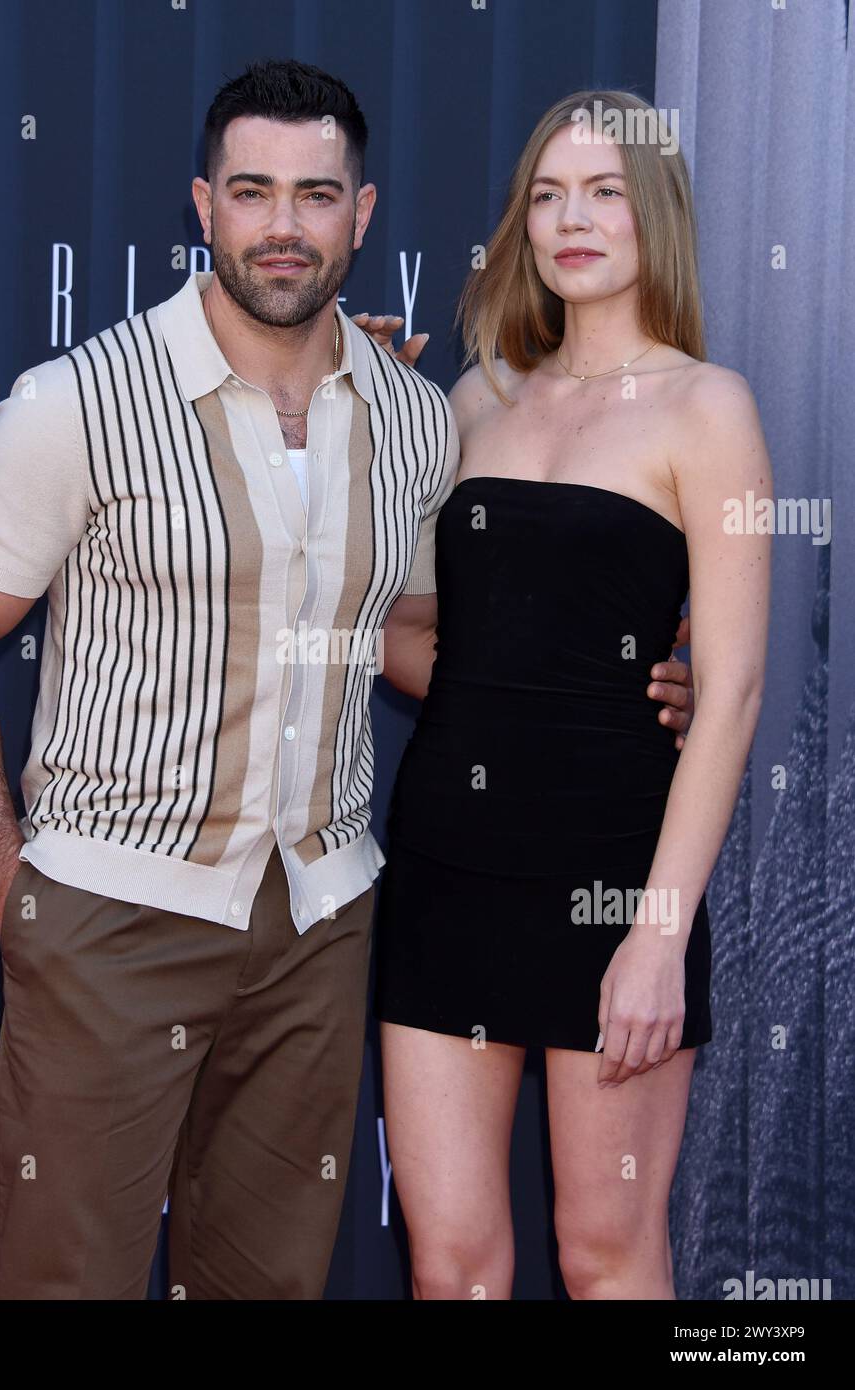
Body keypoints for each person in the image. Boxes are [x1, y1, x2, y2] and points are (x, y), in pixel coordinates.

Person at [0, 61, 692, 1300]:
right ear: (201, 205)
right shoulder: (78, 402)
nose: (283, 225)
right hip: (112, 913)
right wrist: (15, 890)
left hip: (322, 924)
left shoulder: (418, 419)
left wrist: (613, 689)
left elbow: (425, 639)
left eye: (316, 195)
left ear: (361, 217)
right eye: (253, 191)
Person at [366, 89, 771, 1300]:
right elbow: (394, 631)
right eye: (547, 196)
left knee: (606, 1259)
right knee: (454, 1268)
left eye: (602, 191)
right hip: (446, 869)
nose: (572, 219)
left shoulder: (710, 408)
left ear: (653, 210)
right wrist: (364, 436)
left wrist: (656, 934)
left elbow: (737, 686)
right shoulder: (473, 402)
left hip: (616, 880)